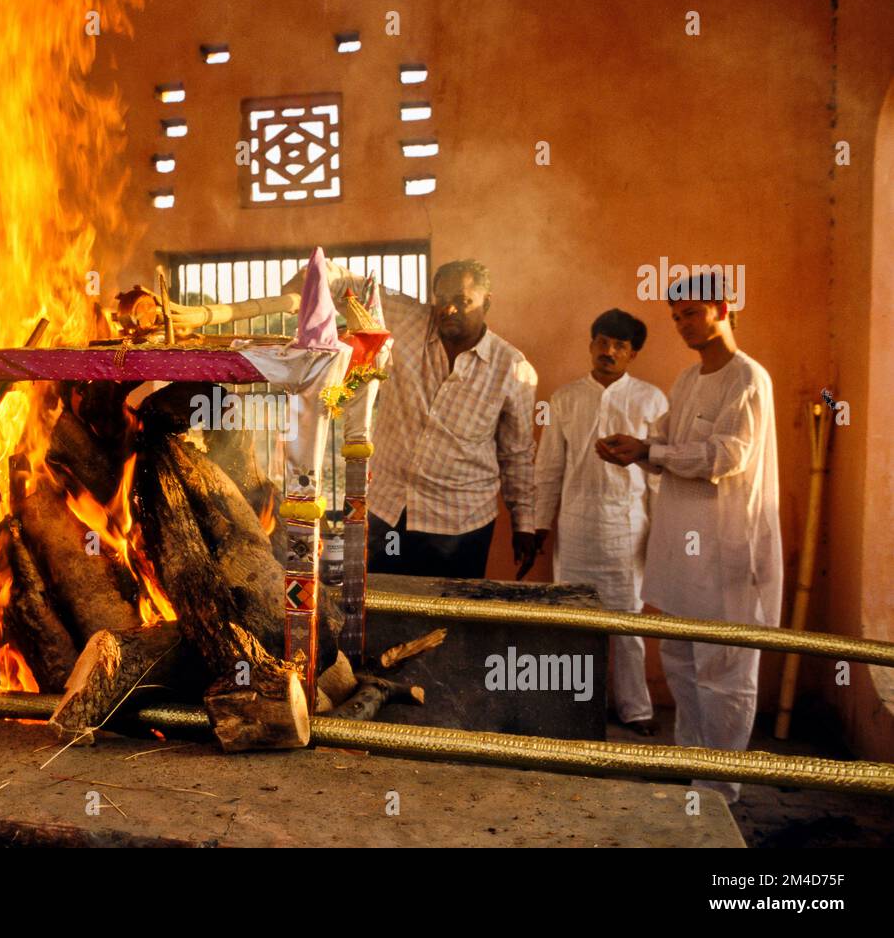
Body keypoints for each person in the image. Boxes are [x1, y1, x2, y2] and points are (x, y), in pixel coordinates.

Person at [169, 256, 539, 580]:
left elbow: (517, 453)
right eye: (442, 300)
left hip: (459, 521)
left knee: (448, 617)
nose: (449, 310)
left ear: (487, 302)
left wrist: (524, 523)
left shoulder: (512, 368)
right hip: (386, 507)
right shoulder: (409, 319)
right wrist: (307, 285)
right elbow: (344, 282)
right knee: (372, 608)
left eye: (463, 301)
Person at [596, 274, 782, 804]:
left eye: (692, 313)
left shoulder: (749, 379)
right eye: (676, 316)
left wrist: (649, 453)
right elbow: (668, 442)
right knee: (680, 660)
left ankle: (719, 789)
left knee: (724, 672)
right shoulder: (686, 379)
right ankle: (693, 770)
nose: (682, 324)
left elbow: (726, 457)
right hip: (681, 551)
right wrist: (638, 446)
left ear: (723, 308)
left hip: (728, 551)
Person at [534, 308, 667, 735]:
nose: (608, 351)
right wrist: (539, 525)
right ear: (591, 345)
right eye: (602, 342)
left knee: (628, 622)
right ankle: (575, 705)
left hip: (627, 529)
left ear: (633, 354)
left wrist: (665, 532)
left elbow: (661, 475)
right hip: (575, 528)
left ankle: (635, 709)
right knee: (574, 622)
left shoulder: (651, 400)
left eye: (620, 346)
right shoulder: (565, 398)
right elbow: (549, 467)